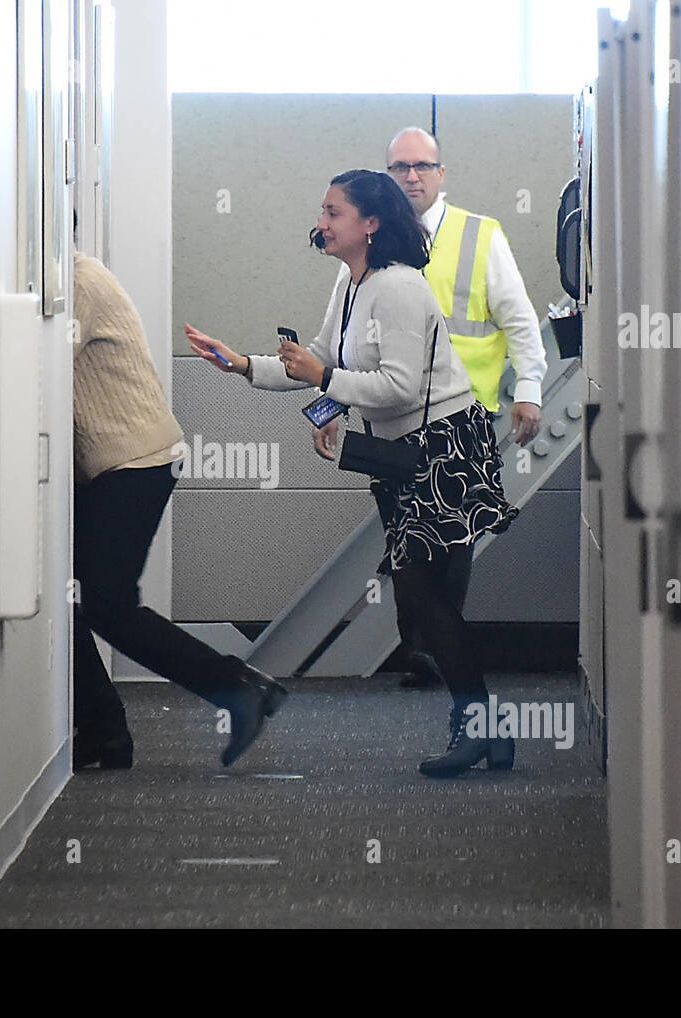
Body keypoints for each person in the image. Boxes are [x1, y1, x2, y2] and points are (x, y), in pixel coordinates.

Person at [184, 169, 516, 778]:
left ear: (371, 224)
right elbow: (324, 359)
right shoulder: (351, 281)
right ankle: (486, 727)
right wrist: (241, 365)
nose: (322, 223)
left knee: (423, 600)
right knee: (425, 606)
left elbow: (397, 386)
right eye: (323, 211)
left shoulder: (400, 288)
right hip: (404, 452)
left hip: (442, 449)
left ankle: (479, 727)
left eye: (334, 212)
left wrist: (323, 382)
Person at [71, 248, 287, 771]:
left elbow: (33, 365)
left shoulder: (75, 280)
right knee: (75, 599)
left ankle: (239, 688)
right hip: (113, 463)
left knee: (105, 603)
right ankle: (104, 729)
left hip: (133, 461)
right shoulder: (70, 274)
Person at [383, 126, 549, 689]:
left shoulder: (480, 236)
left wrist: (529, 387)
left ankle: (436, 656)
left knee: (450, 545)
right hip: (394, 419)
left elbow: (521, 320)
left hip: (463, 423)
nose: (412, 176)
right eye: (401, 167)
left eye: (422, 166)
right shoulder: (374, 237)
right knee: (404, 541)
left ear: (441, 174)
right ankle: (423, 649)